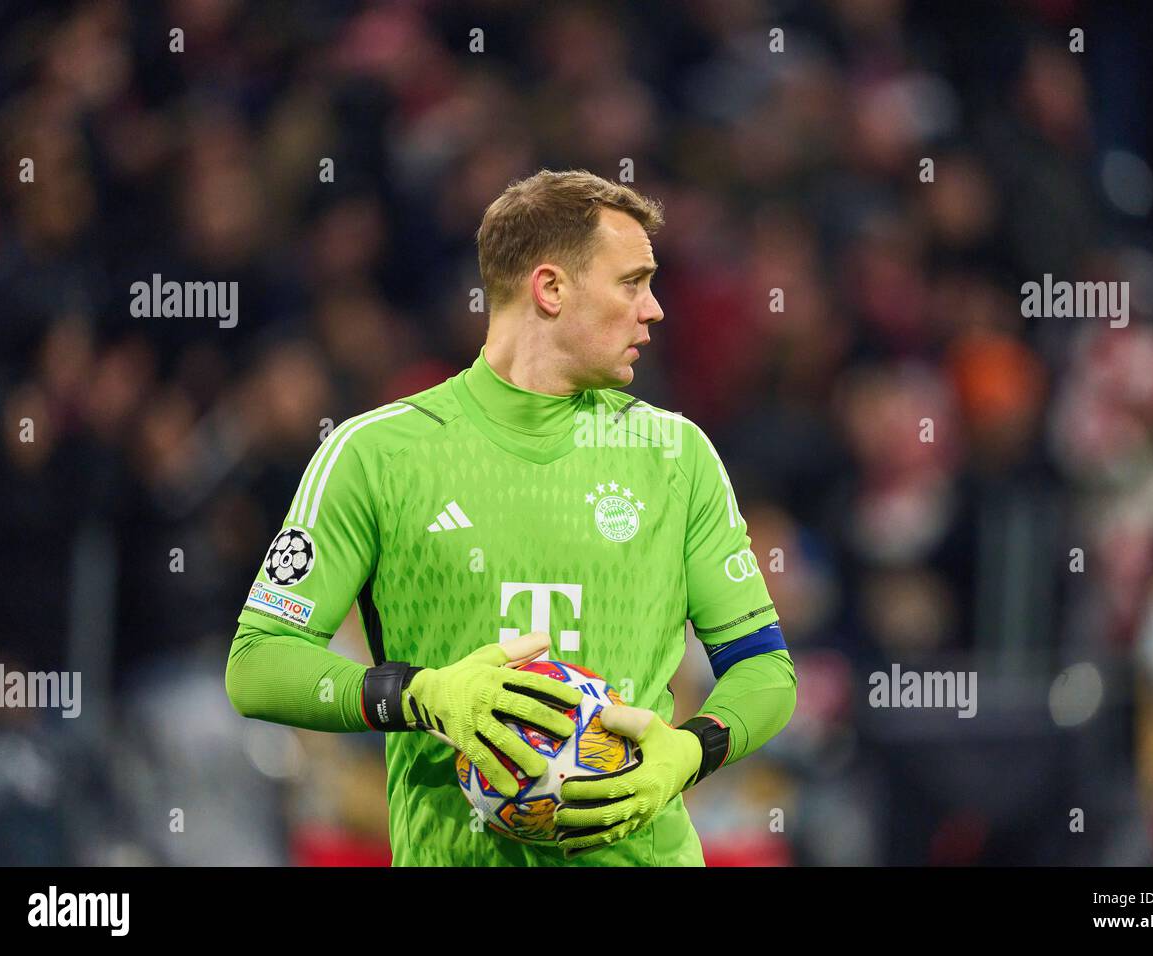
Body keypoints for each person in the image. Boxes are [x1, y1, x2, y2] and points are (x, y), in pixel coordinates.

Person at [225, 168, 797, 865]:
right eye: (632, 282)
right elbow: (257, 665)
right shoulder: (376, 455)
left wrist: (688, 750)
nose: (655, 310)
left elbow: (765, 670)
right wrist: (421, 695)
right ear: (551, 288)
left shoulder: (676, 455)